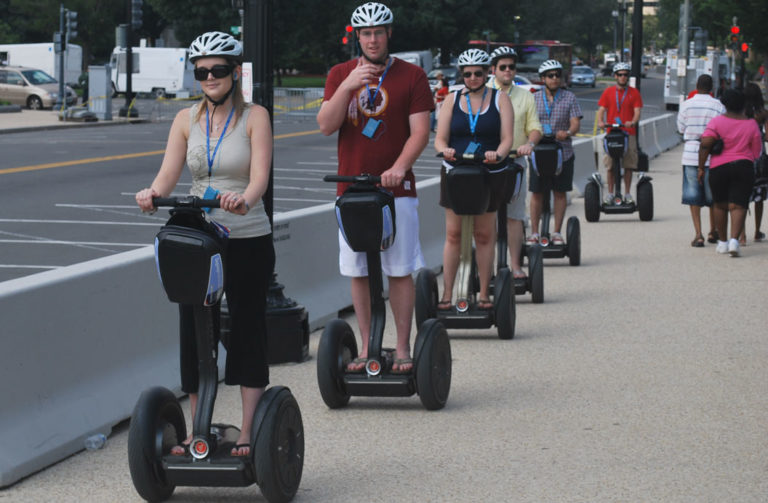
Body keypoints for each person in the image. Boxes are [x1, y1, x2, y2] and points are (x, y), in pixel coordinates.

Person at [135, 31, 273, 457]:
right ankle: (199, 429)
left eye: (218, 69)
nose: (209, 77)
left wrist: (244, 199)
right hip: (200, 236)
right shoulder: (185, 120)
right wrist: (152, 193)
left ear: (235, 72)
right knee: (195, 329)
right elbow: (168, 174)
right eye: (201, 72)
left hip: (246, 234)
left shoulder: (255, 117)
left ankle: (248, 431)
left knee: (247, 325)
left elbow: (260, 178)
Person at [317, 2, 432, 373]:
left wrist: (399, 168)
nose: (372, 40)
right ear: (357, 37)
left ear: (388, 34)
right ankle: (367, 346)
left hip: (396, 191)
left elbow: (420, 132)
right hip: (351, 191)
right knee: (359, 271)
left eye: (378, 32)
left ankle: (402, 346)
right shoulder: (340, 74)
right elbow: (326, 124)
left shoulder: (412, 75)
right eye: (365, 34)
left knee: (399, 269)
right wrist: (348, 86)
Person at [434, 48, 514, 309]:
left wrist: (498, 154)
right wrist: (445, 149)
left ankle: (483, 293)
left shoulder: (500, 99)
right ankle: (447, 293)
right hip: (456, 172)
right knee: (453, 234)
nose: (472, 78)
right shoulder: (452, 99)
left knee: (483, 234)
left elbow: (507, 139)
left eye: (478, 73)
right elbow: (440, 138)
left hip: (488, 172)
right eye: (467, 74)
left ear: (487, 72)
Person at [487, 45, 542, 279]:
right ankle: (487, 270)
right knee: (487, 217)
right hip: (488, 164)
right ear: (493, 69)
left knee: (514, 216)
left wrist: (530, 143)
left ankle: (516, 266)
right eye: (503, 67)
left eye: (511, 67)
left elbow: (535, 127)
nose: (508, 71)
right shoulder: (484, 93)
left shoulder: (525, 96)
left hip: (515, 162)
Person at [698, 88, 762, 257]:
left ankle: (723, 242)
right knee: (739, 205)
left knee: (720, 204)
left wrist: (701, 167)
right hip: (744, 166)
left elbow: (705, 144)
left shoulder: (716, 122)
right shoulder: (751, 124)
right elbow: (757, 151)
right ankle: (734, 241)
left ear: (725, 104)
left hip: (719, 167)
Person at [529, 59, 582, 246]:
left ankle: (557, 233)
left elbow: (575, 123)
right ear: (543, 78)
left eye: (558, 75)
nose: (555, 78)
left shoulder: (569, 97)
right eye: (550, 76)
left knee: (560, 193)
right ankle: (534, 233)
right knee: (537, 193)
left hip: (562, 152)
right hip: (538, 152)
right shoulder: (534, 98)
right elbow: (527, 121)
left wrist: (567, 132)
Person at [676, 74, 724, 247]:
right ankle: (713, 230)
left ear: (696, 86)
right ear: (712, 88)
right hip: (713, 155)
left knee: (693, 196)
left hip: (691, 153)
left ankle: (698, 234)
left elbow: (681, 128)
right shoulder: (718, 106)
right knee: (714, 197)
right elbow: (722, 130)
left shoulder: (686, 105)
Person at [597, 62, 643, 204]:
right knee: (610, 165)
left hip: (628, 132)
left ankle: (627, 193)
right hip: (612, 133)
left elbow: (637, 111)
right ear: (615, 76)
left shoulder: (634, 93)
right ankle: (611, 193)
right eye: (620, 74)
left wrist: (633, 121)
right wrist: (601, 121)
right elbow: (601, 109)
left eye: (625, 75)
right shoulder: (608, 92)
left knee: (629, 165)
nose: (623, 77)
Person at [742, 82, 768, 243]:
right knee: (759, 196)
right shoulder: (763, 113)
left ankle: (742, 235)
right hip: (759, 158)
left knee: (742, 195)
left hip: (743, 155)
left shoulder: (741, 112)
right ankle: (757, 231)